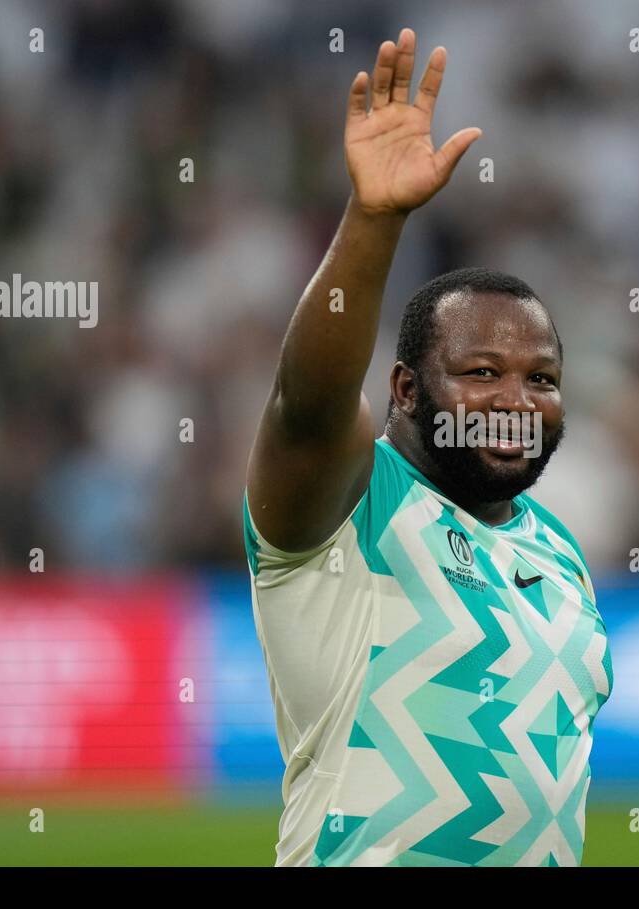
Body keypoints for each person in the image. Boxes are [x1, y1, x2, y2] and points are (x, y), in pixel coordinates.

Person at [243, 28, 612, 866]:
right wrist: (373, 220)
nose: (517, 401)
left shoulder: (560, 556)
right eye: (482, 371)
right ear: (406, 391)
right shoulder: (349, 511)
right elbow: (306, 405)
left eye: (542, 379)